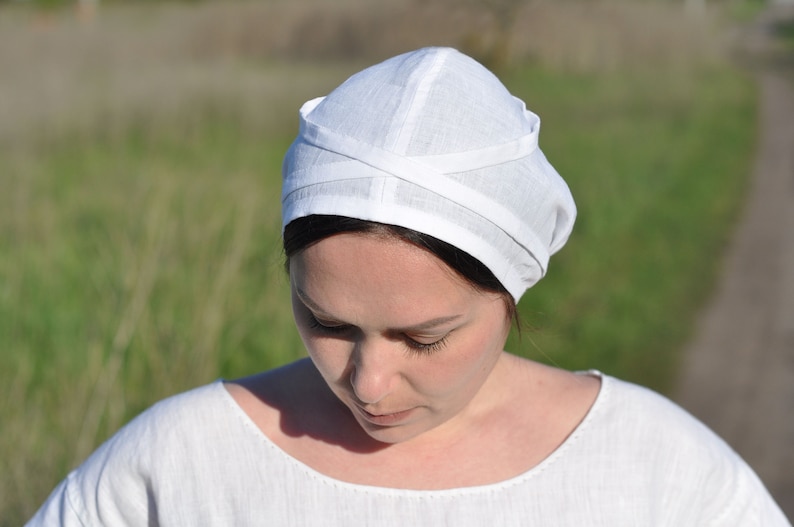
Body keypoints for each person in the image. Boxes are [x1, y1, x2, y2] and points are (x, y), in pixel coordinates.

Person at [27, 46, 790, 526]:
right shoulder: (173, 467)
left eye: (424, 337)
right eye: (326, 321)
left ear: (511, 291)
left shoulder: (659, 473)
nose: (368, 381)